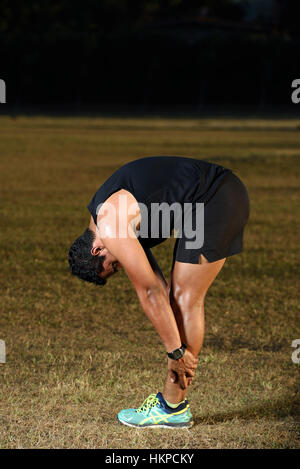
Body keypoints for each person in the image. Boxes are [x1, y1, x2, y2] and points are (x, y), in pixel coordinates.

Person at [68, 156, 250, 428]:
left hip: (213, 200)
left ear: (97, 250)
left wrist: (175, 353)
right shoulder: (105, 218)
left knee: (186, 299)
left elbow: (149, 291)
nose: (121, 265)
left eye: (113, 266)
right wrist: (174, 341)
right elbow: (159, 287)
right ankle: (172, 405)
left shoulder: (110, 224)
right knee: (177, 299)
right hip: (209, 201)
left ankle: (172, 407)